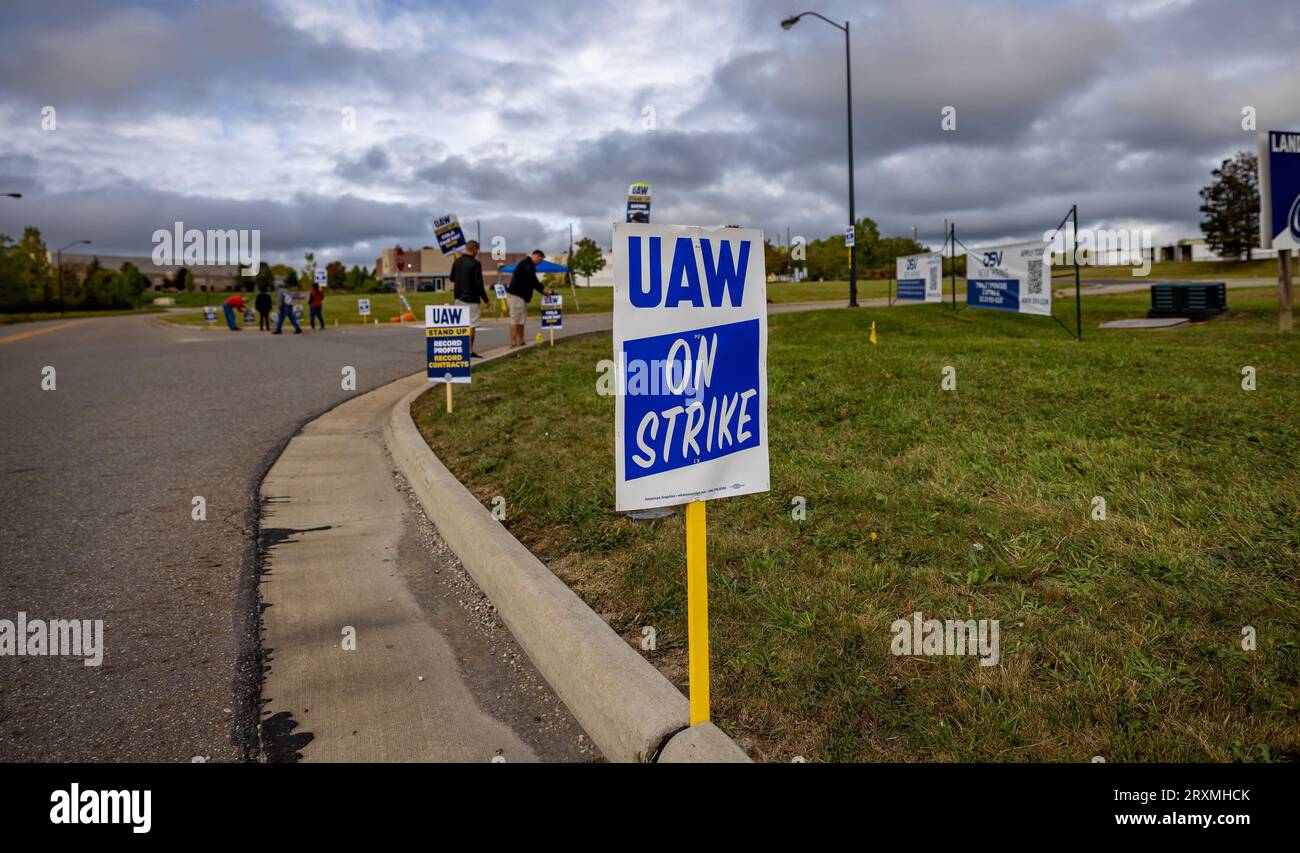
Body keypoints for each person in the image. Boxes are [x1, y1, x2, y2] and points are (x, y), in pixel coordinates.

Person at [505, 249, 553, 347]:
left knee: (521, 320)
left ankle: (521, 340)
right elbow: (533, 281)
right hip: (516, 295)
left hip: (521, 297)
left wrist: (543, 290)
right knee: (515, 319)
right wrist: (543, 290)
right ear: (536, 256)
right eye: (540, 260)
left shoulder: (528, 265)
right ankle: (514, 342)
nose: (539, 263)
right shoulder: (527, 264)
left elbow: (532, 281)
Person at [450, 240, 489, 357]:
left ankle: (460, 350)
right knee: (471, 325)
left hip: (458, 299)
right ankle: (470, 350)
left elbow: (452, 278)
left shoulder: (457, 262)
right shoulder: (476, 264)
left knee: (461, 325)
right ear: (475, 249)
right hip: (472, 299)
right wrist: (486, 299)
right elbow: (479, 284)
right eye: (477, 250)